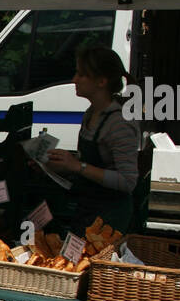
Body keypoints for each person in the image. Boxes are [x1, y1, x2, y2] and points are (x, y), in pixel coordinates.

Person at [43, 43, 141, 234]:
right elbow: (85, 166)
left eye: (81, 74)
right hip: (88, 210)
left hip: (110, 219)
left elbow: (128, 181)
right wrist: (57, 166)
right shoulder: (91, 113)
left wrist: (78, 166)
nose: (74, 79)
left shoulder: (119, 123)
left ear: (101, 81)